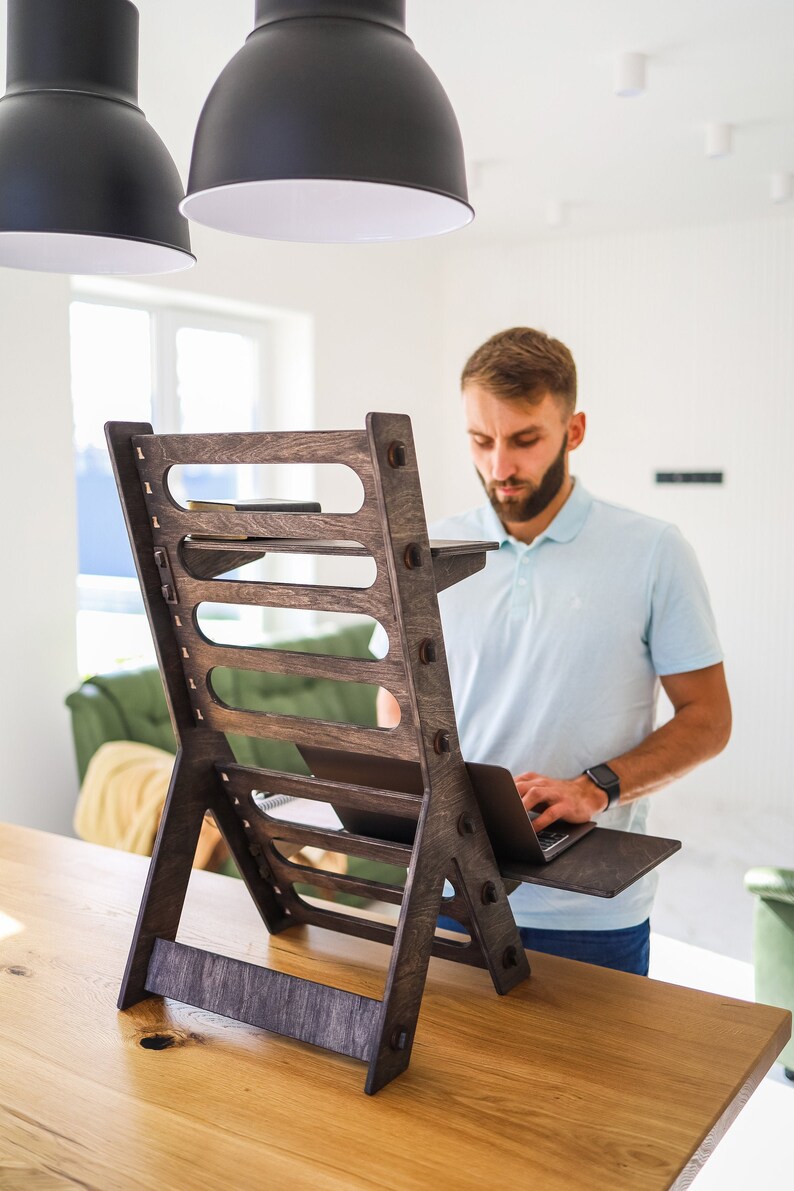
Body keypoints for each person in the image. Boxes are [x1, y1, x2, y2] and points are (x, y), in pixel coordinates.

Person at [374, 326, 731, 976]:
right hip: (448, 891)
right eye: (481, 440)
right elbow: (394, 703)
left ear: (574, 430)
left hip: (589, 914)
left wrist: (597, 788)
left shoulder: (655, 551)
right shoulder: (424, 552)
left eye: (524, 439)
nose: (499, 468)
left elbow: (708, 718)